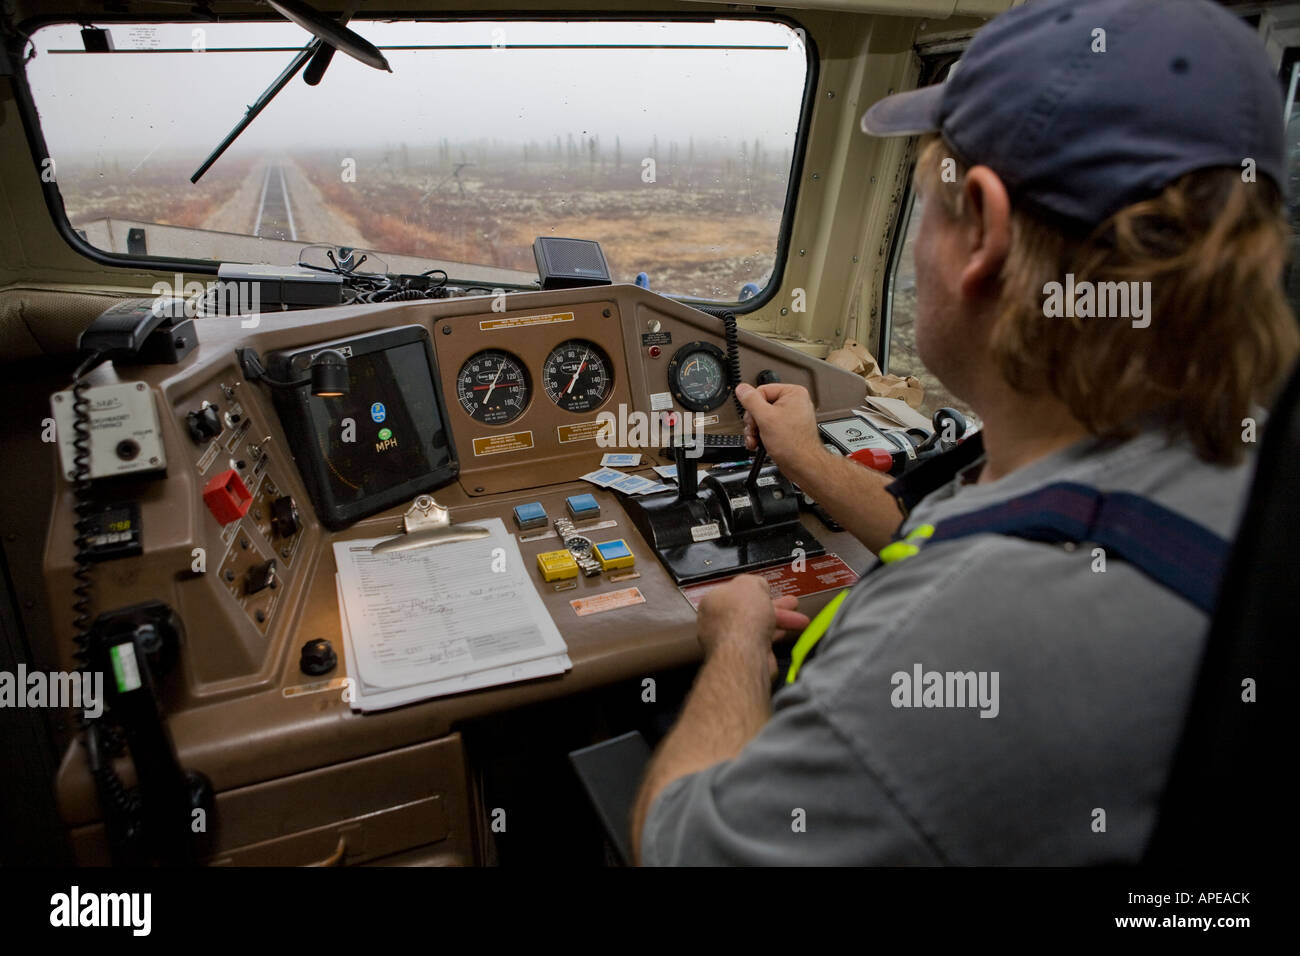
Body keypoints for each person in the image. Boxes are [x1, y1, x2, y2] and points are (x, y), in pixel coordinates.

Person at [632, 0, 1300, 865]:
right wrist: (802, 457)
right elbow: (994, 524)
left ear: (980, 228)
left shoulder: (962, 640)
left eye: (922, 212)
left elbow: (678, 847)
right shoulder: (1221, 447)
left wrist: (734, 645)